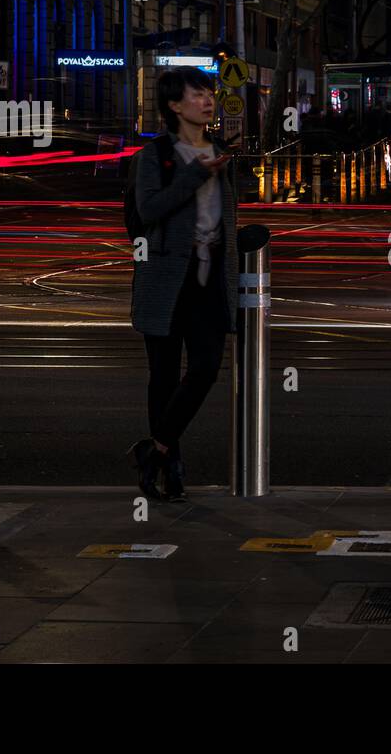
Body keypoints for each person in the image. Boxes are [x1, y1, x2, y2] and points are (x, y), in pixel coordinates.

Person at [126, 67, 239, 502]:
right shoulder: (156, 156)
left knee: (207, 367)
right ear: (174, 105)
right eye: (197, 94)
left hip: (208, 278)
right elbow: (150, 209)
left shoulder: (221, 151)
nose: (207, 100)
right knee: (164, 376)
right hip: (165, 279)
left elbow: (226, 219)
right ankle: (170, 467)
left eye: (209, 92)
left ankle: (154, 449)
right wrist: (196, 176)